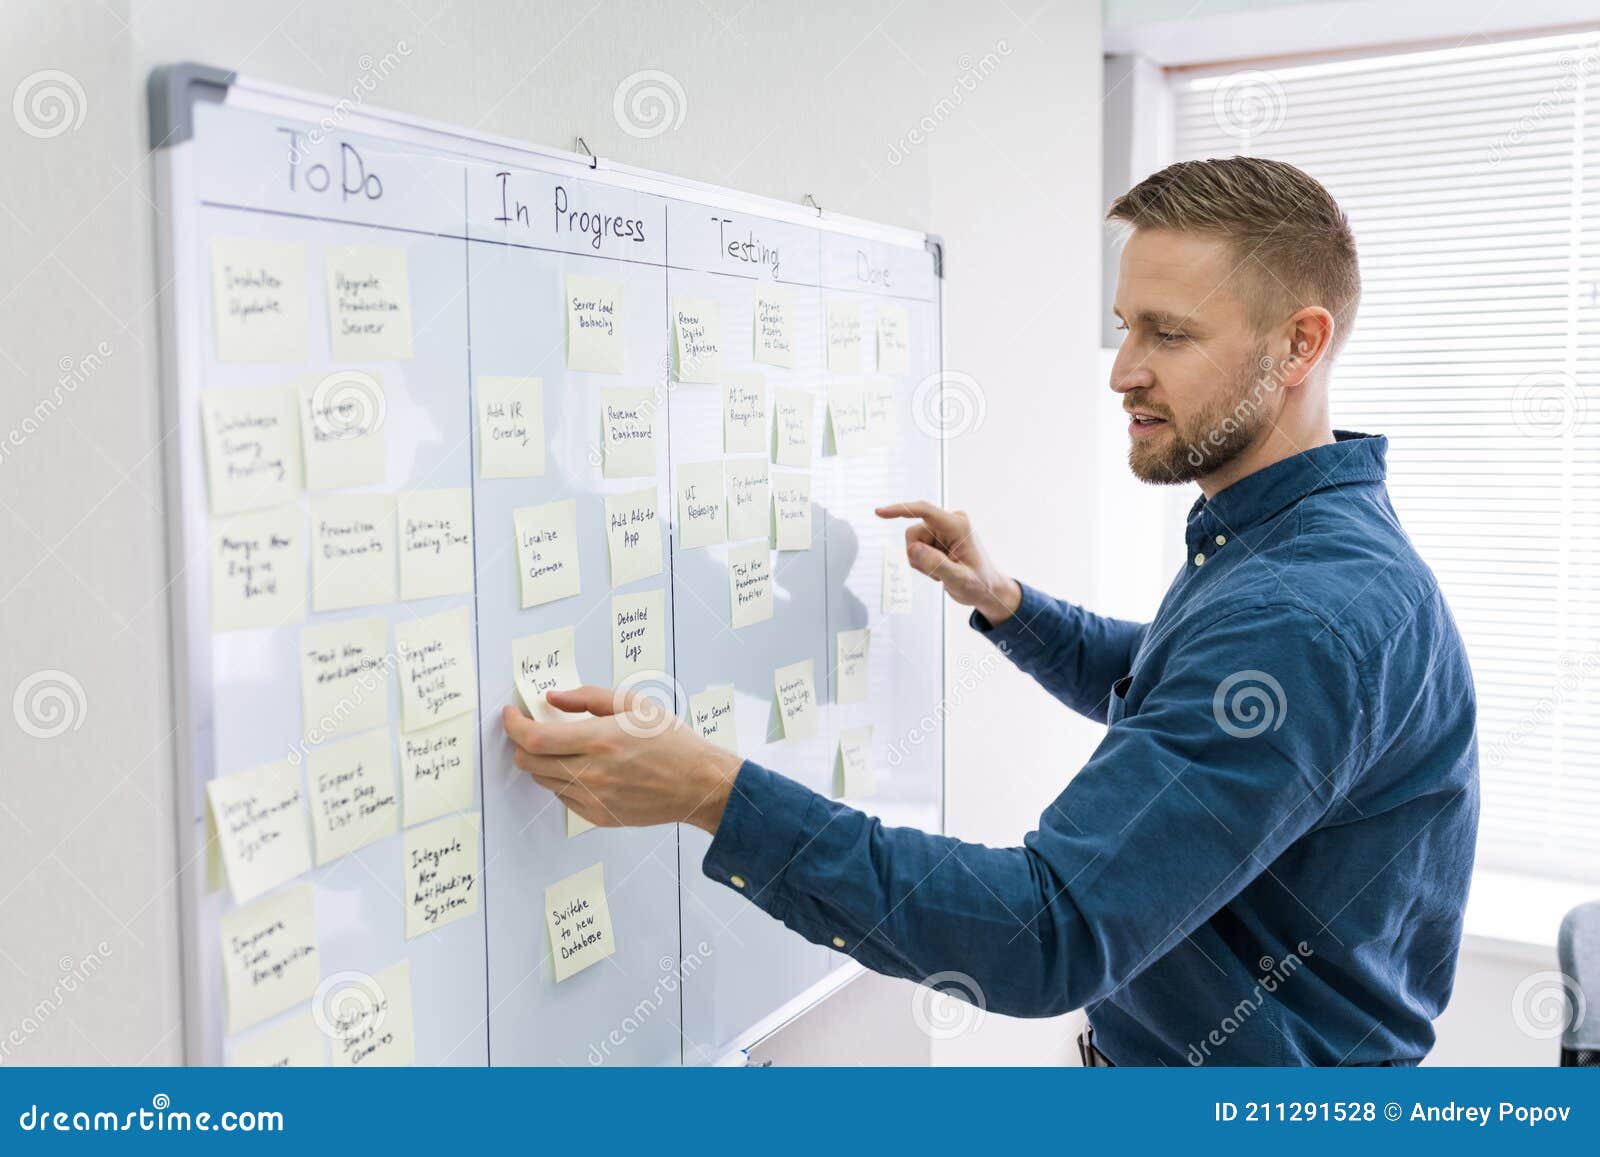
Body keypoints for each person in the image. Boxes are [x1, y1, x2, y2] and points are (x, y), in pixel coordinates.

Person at [501, 156, 1480, 1066]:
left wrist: (713, 791)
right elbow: (1179, 687)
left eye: (1168, 333)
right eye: (1124, 323)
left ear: (1299, 344)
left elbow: (1042, 934)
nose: (1121, 370)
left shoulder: (1304, 611)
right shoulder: (1291, 540)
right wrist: (1007, 605)